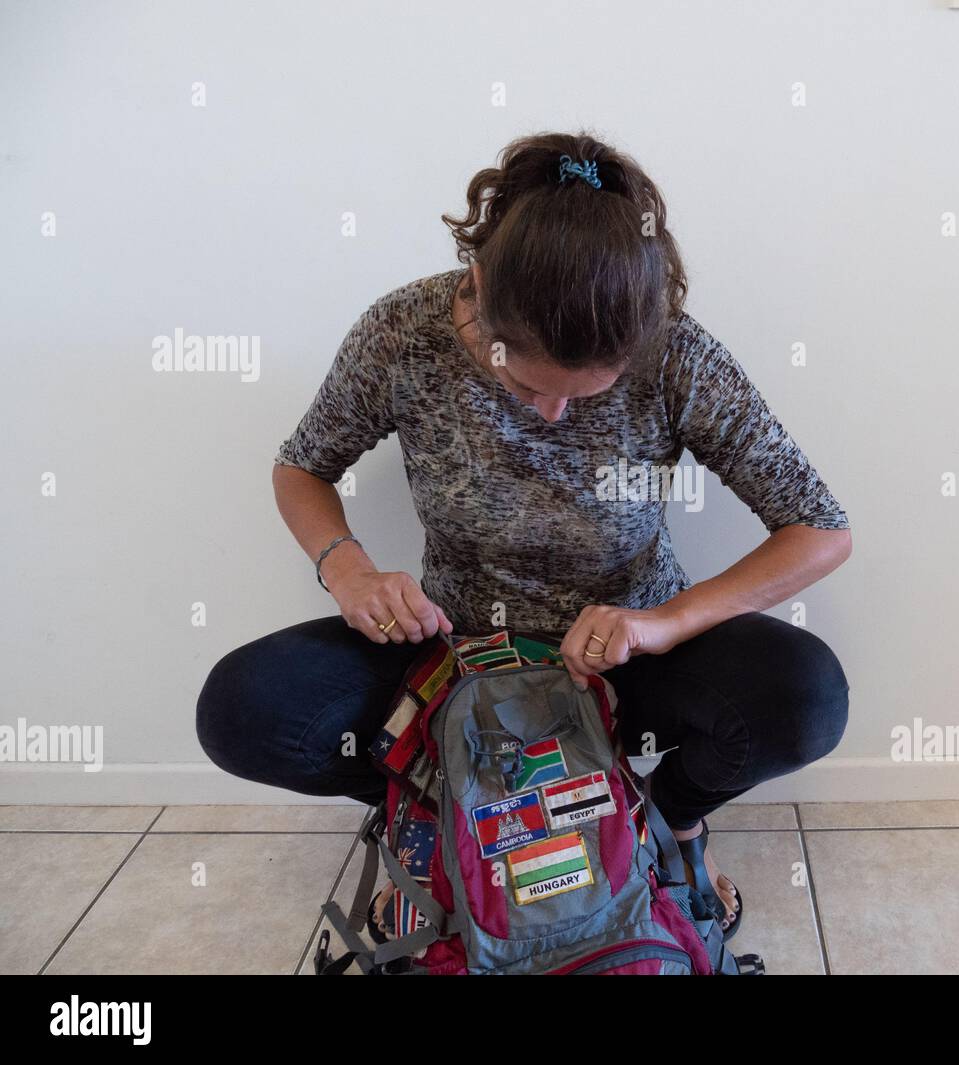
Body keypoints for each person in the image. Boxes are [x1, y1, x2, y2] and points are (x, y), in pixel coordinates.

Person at [196, 131, 852, 941]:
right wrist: (350, 570)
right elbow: (301, 468)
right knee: (241, 709)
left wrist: (659, 624)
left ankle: (665, 819)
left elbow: (820, 530)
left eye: (587, 393)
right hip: (455, 661)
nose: (552, 415)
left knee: (807, 696)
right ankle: (432, 809)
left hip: (625, 665)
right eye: (523, 384)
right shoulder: (405, 332)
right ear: (477, 289)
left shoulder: (677, 353)